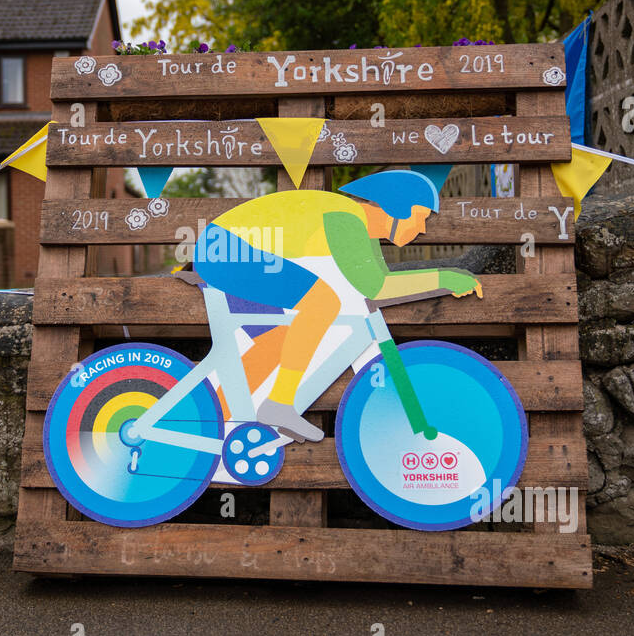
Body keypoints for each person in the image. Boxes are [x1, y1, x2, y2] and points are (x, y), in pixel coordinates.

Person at [192, 170, 482, 443]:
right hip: (228, 250)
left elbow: (379, 282)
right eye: (420, 217)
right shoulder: (345, 219)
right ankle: (279, 404)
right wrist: (445, 278)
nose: (421, 229)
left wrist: (442, 280)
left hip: (222, 248)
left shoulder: (361, 228)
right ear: (396, 207)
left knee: (276, 342)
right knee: (321, 302)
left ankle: (210, 421)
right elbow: (375, 287)